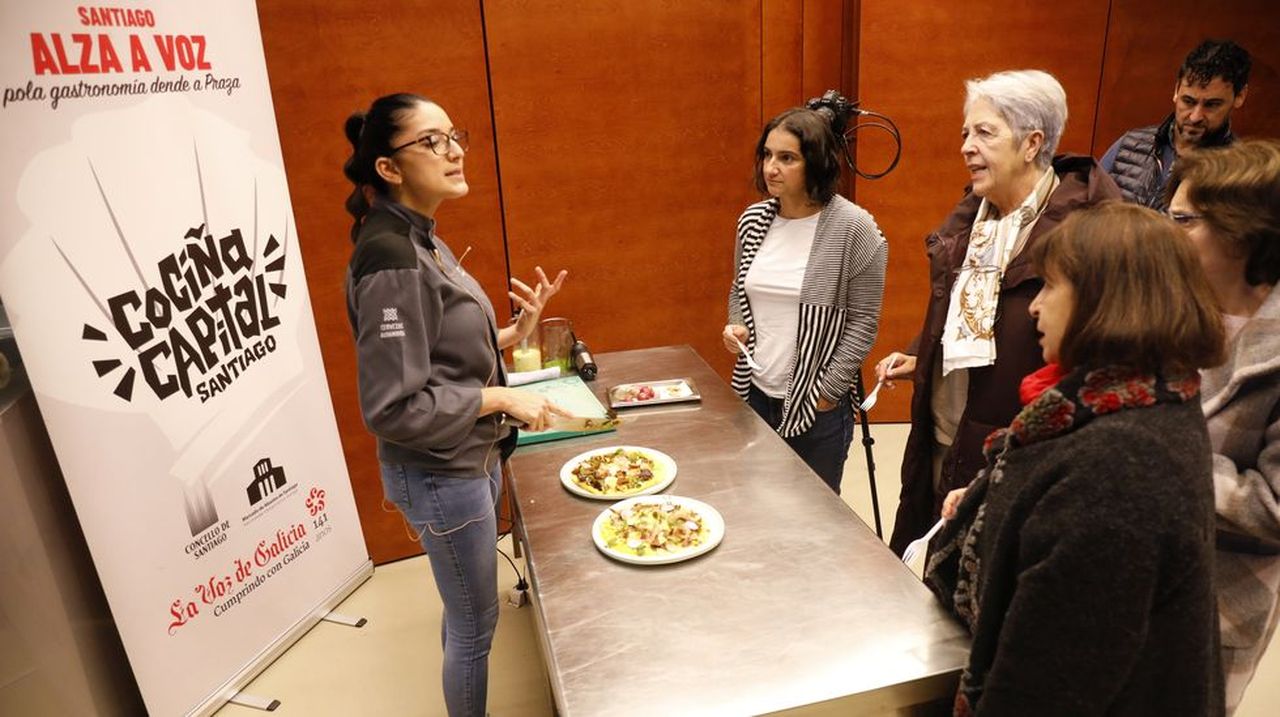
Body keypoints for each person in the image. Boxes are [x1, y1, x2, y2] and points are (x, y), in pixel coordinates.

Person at [925, 203, 1226, 715]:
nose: (1035, 308)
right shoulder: (1147, 397)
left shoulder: (1116, 470)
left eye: (1049, 286)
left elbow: (1046, 686)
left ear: (1104, 300)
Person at [342, 93, 570, 717]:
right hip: (441, 471)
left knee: (466, 610)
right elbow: (392, 407)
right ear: (388, 168)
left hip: (466, 457)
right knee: (475, 626)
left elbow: (431, 345)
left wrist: (509, 337)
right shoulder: (390, 256)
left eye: (454, 135)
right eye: (432, 141)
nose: (455, 150)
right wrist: (497, 395)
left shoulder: (419, 236)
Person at [873, 70, 1121, 554]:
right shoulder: (972, 216)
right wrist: (920, 353)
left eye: (984, 132)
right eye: (966, 132)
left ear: (1032, 143)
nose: (966, 146)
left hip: (1018, 449)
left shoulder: (1088, 232)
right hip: (945, 431)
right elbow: (965, 310)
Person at [1168, 139, 1280, 714]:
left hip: (1217, 608)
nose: (1166, 234)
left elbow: (1273, 508)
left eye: (1183, 221)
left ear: (1239, 231)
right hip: (1127, 582)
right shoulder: (1169, 308)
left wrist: (1160, 459)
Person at [722, 107, 887, 493]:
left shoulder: (855, 228)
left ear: (815, 162)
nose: (771, 168)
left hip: (817, 407)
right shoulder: (753, 220)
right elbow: (738, 288)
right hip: (755, 393)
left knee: (815, 522)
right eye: (767, 155)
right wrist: (737, 325)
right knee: (756, 503)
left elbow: (863, 322)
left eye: (787, 158)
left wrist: (828, 393)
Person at [1100, 39, 1251, 210]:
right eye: (1188, 101)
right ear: (1176, 90)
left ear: (1240, 97)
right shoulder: (1129, 145)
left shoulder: (1241, 173)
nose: (1195, 117)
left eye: (1211, 105)